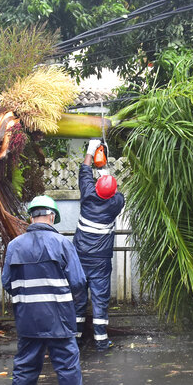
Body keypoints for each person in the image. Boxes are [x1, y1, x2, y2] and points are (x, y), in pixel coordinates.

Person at [3, 195, 92, 385]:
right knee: (67, 367)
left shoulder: (14, 246)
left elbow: (7, 283)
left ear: (31, 216)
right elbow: (78, 282)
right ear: (52, 216)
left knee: (25, 366)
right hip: (59, 320)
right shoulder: (63, 244)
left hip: (28, 320)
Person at [73, 138, 126, 351]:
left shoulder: (87, 196)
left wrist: (91, 150)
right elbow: (111, 190)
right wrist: (103, 168)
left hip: (79, 255)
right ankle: (101, 341)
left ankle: (75, 339)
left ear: (95, 188)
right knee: (100, 299)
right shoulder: (116, 202)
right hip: (100, 261)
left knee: (77, 298)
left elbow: (84, 171)